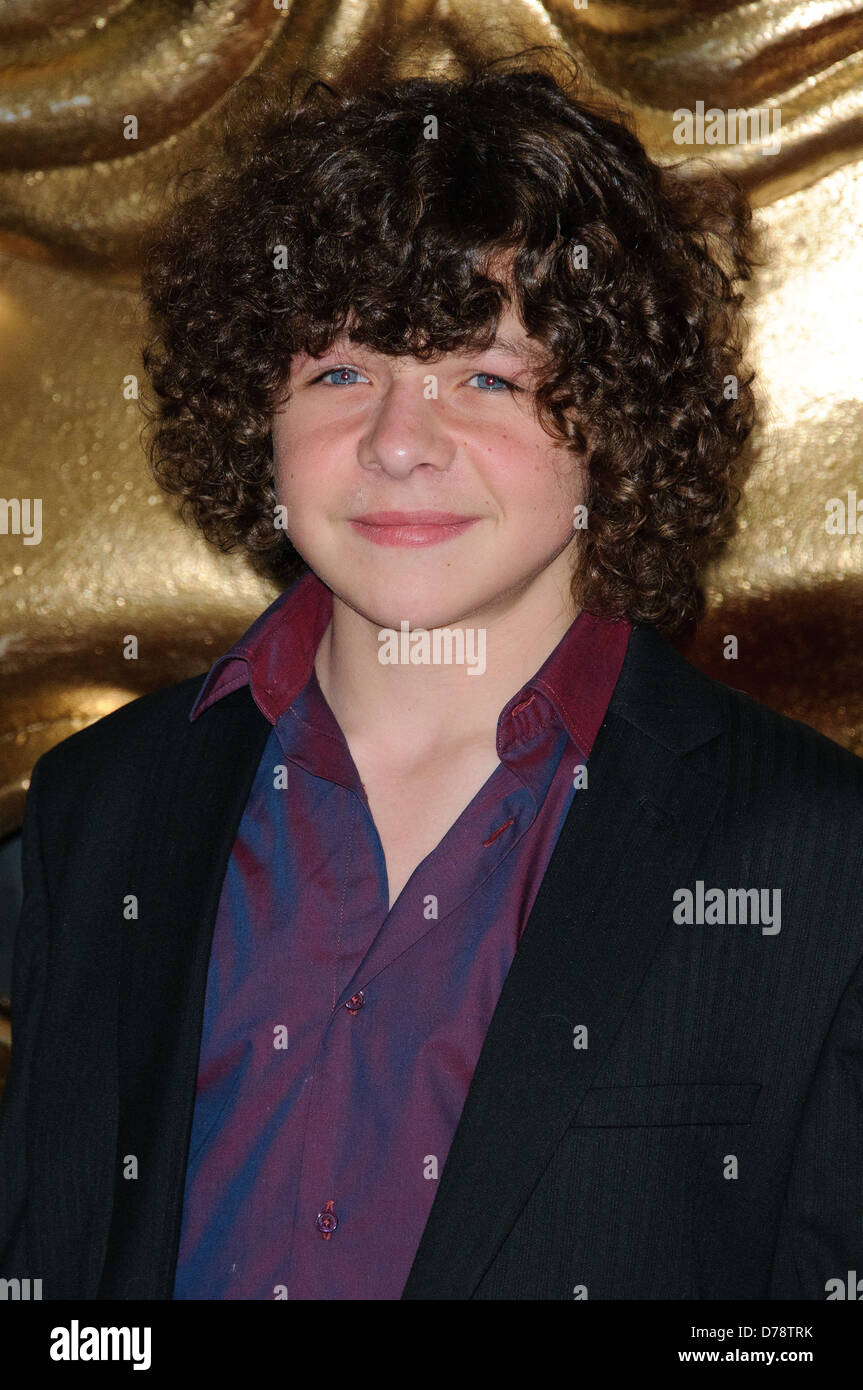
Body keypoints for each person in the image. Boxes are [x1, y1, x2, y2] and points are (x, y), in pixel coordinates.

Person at [1, 48, 861, 1303]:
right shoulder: (100, 808)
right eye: (340, 371)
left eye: (486, 378)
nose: (399, 442)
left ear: (613, 420)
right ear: (258, 412)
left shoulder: (815, 855)